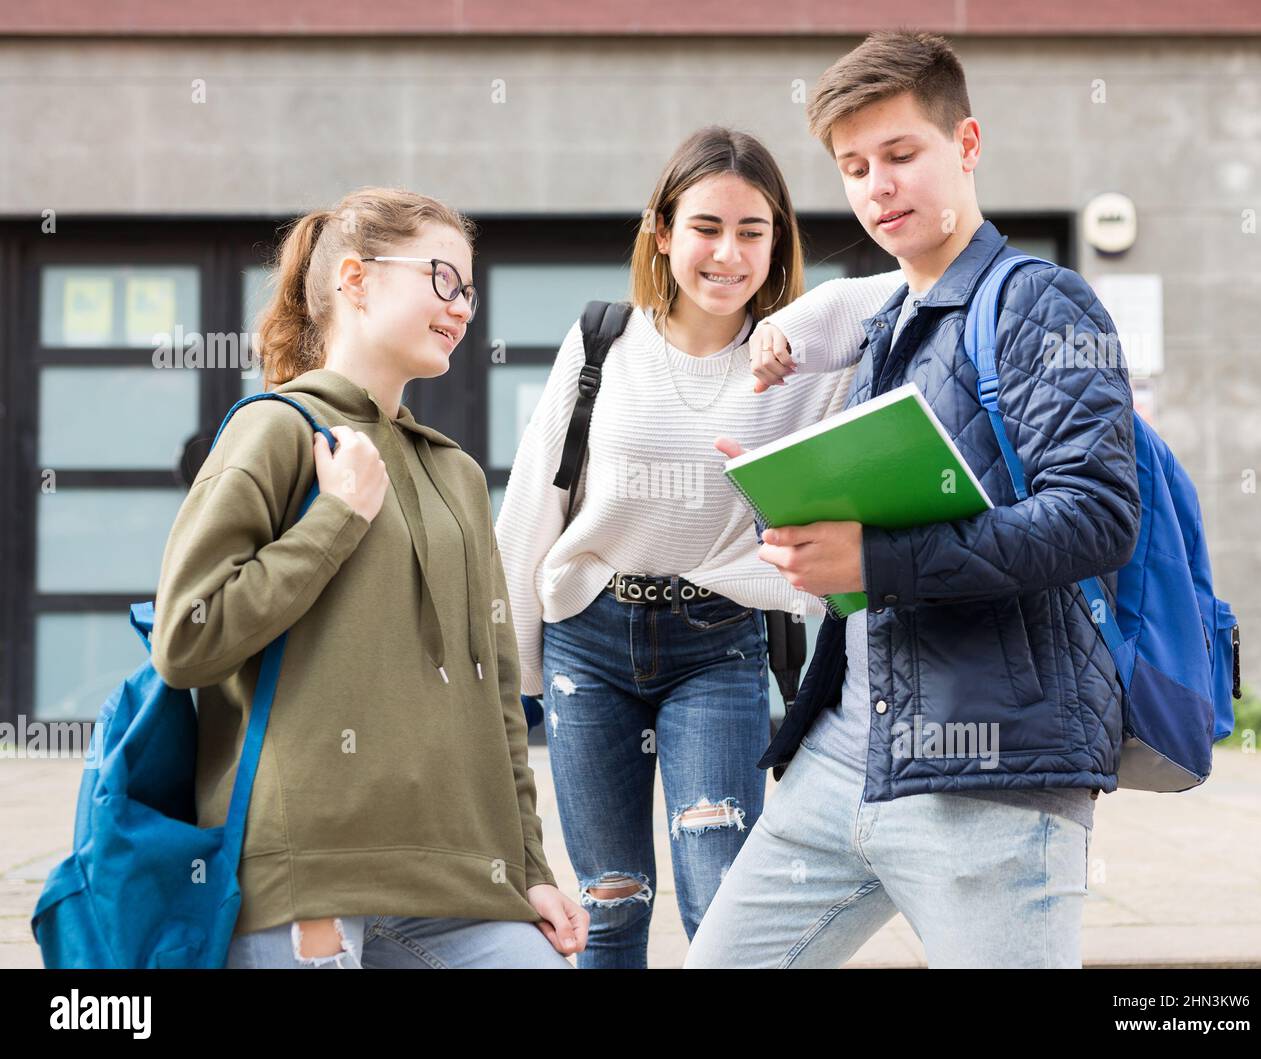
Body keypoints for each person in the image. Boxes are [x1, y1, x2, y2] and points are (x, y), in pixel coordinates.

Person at [686, 30, 1139, 968]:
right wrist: (798, 520)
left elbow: (1097, 515)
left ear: (966, 145)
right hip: (841, 764)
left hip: (993, 782)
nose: (876, 187)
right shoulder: (886, 321)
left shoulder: (1043, 305)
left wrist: (879, 560)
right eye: (854, 167)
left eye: (901, 155)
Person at [495, 126, 902, 968]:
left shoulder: (805, 362)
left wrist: (800, 315)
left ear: (779, 241)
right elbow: (535, 500)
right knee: (610, 901)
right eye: (706, 228)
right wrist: (510, 674)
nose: (728, 253)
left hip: (717, 647)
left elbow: (923, 279)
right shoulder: (605, 340)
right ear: (664, 232)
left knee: (723, 906)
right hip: (589, 640)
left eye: (755, 231)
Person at [150, 186, 584, 969]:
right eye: (441, 279)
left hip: (460, 882)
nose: (461, 307)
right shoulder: (275, 429)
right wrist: (335, 518)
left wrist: (529, 866)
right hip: (309, 880)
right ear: (355, 279)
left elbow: (499, 697)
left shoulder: (454, 473)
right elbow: (188, 636)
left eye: (470, 290)